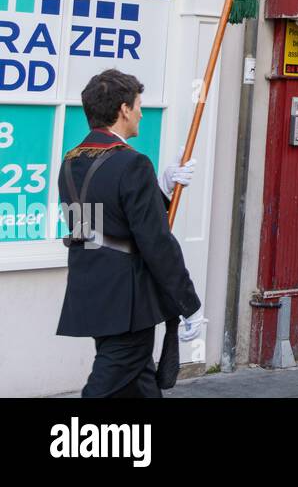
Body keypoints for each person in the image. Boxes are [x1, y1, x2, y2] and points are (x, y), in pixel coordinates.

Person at [57, 69, 201, 398]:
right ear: (123, 109)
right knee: (108, 382)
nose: (141, 113)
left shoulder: (71, 160)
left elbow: (103, 220)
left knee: (140, 382)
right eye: (138, 105)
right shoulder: (133, 164)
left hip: (91, 284)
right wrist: (188, 303)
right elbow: (156, 242)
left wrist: (161, 188)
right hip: (127, 297)